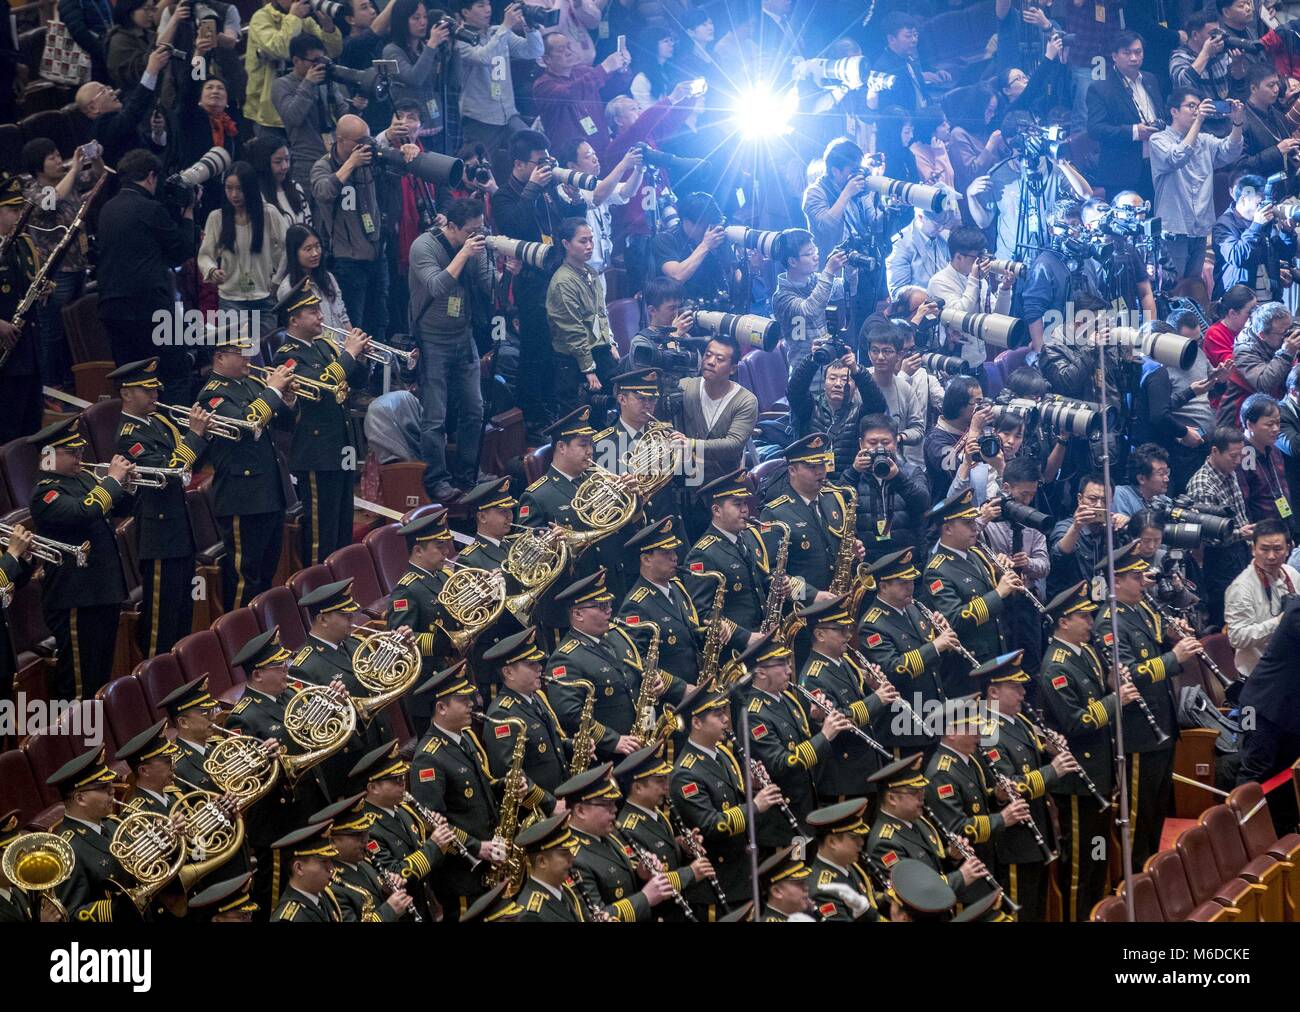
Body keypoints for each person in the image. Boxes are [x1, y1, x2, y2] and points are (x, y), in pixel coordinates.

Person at [1094, 541, 1201, 870]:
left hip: (1162, 722)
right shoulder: (1108, 621)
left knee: (1157, 808)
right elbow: (1127, 673)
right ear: (1117, 580)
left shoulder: (1142, 608)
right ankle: (1135, 880)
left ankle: (1154, 874)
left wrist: (1172, 637)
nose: (1145, 583)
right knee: (1138, 815)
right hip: (1138, 729)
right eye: (1137, 577)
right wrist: (1173, 657)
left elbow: (1153, 645)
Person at [1038, 580, 1133, 922]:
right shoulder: (1056, 667)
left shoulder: (1087, 652)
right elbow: (1076, 723)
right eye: (1084, 617)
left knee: (1097, 854)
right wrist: (1114, 700)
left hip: (1099, 772)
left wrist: (1111, 685)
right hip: (1077, 783)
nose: (1092, 622)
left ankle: (1096, 911)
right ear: (1064, 621)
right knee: (1079, 862)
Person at [109, 357, 211, 656]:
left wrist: (201, 435)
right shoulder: (130, 437)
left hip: (180, 529)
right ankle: (155, 682)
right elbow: (169, 473)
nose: (156, 395)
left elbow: (190, 465)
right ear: (127, 394)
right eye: (146, 390)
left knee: (181, 612)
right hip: (159, 536)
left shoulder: (158, 422)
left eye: (155, 389)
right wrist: (194, 434)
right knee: (160, 622)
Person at [27, 418, 131, 702]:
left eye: (80, 451)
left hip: (103, 590)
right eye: (72, 453)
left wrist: (129, 484)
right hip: (76, 599)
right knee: (78, 682)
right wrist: (112, 481)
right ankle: (74, 741)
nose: (80, 457)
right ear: (48, 456)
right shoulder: (46, 494)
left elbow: (120, 505)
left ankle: (97, 739)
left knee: (100, 675)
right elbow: (83, 512)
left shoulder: (83, 478)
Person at [199, 332, 297, 610]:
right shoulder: (213, 394)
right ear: (220, 357)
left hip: (269, 492)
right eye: (240, 353)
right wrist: (274, 391)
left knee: (267, 571)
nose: (248, 358)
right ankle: (239, 640)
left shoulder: (251, 383)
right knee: (246, 577)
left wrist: (287, 398)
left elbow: (284, 425)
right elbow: (246, 424)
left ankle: (260, 637)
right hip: (242, 499)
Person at [979, 652, 1079, 921]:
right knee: (1019, 911)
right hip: (1015, 841)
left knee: (1037, 907)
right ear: (993, 692)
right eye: (1016, 687)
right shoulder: (988, 732)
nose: (1023, 693)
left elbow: (1031, 758)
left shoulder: (1019, 720)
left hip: (1038, 828)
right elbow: (1007, 785)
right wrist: (1053, 770)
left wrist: (1050, 750)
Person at [95, 148, 197, 405]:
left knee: (132, 380)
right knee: (175, 373)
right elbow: (183, 250)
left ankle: (139, 436)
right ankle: (178, 437)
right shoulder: (150, 209)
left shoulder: (107, 209)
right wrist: (188, 212)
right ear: (151, 176)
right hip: (150, 308)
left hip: (112, 309)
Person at [407, 662, 508, 920]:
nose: (472, 704)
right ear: (441, 707)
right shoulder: (428, 759)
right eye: (463, 700)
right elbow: (433, 823)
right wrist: (476, 847)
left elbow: (481, 787)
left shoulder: (464, 738)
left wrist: (507, 784)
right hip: (461, 874)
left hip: (487, 859)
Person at [670, 685, 782, 915]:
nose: (725, 720)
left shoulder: (722, 754)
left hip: (741, 875)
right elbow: (711, 825)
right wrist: (755, 805)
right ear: (697, 723)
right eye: (717, 714)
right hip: (717, 884)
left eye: (724, 712)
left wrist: (751, 789)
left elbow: (732, 801)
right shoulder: (685, 774)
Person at [543, 569, 677, 761]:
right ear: (578, 614)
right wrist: (612, 740)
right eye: (600, 606)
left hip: (644, 736)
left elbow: (638, 665)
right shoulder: (565, 659)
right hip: (610, 755)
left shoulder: (616, 634)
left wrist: (653, 677)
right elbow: (570, 714)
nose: (609, 610)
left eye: (609, 604)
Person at [408, 196, 490, 499]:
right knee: (435, 416)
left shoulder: (473, 245)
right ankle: (436, 479)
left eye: (480, 228)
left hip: (463, 334)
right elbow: (436, 286)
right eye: (471, 230)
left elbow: (485, 283)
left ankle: (468, 472)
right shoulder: (423, 247)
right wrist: (465, 254)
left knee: (474, 408)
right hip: (432, 340)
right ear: (452, 227)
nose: (477, 235)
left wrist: (506, 269)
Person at [492, 128, 562, 437]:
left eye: (547, 161)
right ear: (519, 164)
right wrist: (532, 188)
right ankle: (531, 416)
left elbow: (561, 224)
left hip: (554, 276)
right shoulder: (504, 195)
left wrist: (565, 193)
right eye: (538, 162)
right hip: (528, 282)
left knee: (553, 349)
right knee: (534, 350)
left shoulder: (547, 189)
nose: (544, 167)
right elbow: (513, 223)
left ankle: (550, 406)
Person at [920, 489, 1020, 695]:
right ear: (947, 528)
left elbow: (1001, 599)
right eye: (967, 523)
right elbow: (954, 618)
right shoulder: (936, 571)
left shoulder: (975, 553)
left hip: (996, 649)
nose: (975, 528)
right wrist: (998, 593)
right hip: (969, 665)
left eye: (974, 521)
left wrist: (1007, 578)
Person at [798, 595, 897, 799]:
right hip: (845, 775)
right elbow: (836, 720)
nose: (847, 635)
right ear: (820, 634)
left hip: (866, 765)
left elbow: (857, 700)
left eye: (848, 629)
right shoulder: (813, 677)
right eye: (841, 630)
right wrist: (877, 699)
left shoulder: (843, 662)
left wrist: (873, 687)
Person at [19, 140, 96, 392]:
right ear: (38, 166)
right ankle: (49, 385)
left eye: (56, 155)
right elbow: (52, 200)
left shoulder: (69, 180)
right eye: (50, 158)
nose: (56, 161)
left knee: (76, 327)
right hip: (54, 274)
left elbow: (97, 176)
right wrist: (73, 168)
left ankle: (71, 380)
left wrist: (96, 157)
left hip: (78, 266)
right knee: (53, 333)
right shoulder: (33, 192)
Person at [555, 764, 674, 921]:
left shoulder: (607, 836)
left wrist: (641, 873)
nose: (615, 810)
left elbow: (625, 883)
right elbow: (594, 916)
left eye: (614, 803)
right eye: (606, 805)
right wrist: (645, 898)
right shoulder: (571, 858)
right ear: (580, 811)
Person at [613, 743, 716, 922]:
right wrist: (690, 873)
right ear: (638, 787)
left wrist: (682, 846)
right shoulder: (627, 828)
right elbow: (648, 879)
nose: (667, 787)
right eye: (660, 781)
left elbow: (661, 850)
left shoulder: (656, 813)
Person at [1152, 91, 1245, 286]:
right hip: (1174, 227)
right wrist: (1199, 121)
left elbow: (1231, 152)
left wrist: (1237, 124)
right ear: (1174, 111)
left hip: (1200, 226)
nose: (1196, 111)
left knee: (1193, 286)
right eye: (1191, 106)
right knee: (1172, 286)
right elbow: (1176, 157)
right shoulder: (1159, 140)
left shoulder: (1205, 140)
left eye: (1198, 106)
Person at [759, 433, 858, 609]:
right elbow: (770, 574)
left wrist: (855, 550)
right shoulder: (775, 513)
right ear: (792, 470)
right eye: (811, 466)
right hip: (803, 610)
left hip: (842, 598)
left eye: (822, 464)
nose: (820, 471)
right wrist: (812, 596)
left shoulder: (835, 497)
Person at [312, 114, 386, 338]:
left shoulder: (370, 162)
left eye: (368, 140)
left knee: (380, 321)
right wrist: (350, 164)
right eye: (359, 142)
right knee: (355, 326)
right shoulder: (323, 165)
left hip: (377, 256)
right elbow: (323, 192)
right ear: (340, 140)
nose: (365, 147)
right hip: (348, 261)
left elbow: (399, 166)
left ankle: (378, 372)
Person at [683, 469, 772, 652]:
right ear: (716, 510)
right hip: (735, 651)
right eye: (737, 504)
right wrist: (745, 637)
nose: (745, 509)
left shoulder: (749, 536)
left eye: (745, 503)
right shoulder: (702, 554)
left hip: (763, 637)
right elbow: (702, 614)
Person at [482, 626, 572, 806]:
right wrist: (549, 804)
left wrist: (574, 745)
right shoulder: (502, 714)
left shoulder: (536, 697)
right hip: (538, 812)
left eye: (538, 662)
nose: (540, 667)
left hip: (560, 795)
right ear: (509, 672)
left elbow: (550, 743)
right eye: (531, 664)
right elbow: (512, 775)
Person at [198, 160, 288, 341]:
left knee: (266, 354)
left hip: (264, 299)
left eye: (239, 189)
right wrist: (212, 270)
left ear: (250, 188)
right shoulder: (217, 218)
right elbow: (206, 255)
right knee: (236, 354)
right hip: (231, 300)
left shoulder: (268, 213)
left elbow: (289, 247)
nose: (234, 194)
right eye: (229, 188)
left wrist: (277, 280)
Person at [47, 748, 135, 923]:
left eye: (110, 784)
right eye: (103, 787)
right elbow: (71, 915)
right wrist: (123, 905)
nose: (112, 791)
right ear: (80, 799)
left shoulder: (112, 824)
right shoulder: (66, 851)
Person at [243, 0, 343, 139]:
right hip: (269, 112)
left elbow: (332, 52)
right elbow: (281, 49)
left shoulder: (305, 20)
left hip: (306, 105)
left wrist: (328, 27)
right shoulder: (261, 18)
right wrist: (294, 17)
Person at [1185, 426, 1254, 626]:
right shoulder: (1202, 484)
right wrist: (1242, 534)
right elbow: (1208, 536)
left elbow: (1240, 514)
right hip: (1219, 561)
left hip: (1241, 551)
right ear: (1215, 451)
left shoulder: (1229, 471)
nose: (1238, 460)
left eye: (1240, 455)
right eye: (1233, 456)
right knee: (1228, 617)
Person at [1085, 31, 1163, 203]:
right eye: (1127, 53)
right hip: (1122, 171)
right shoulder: (1100, 88)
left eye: (1138, 52)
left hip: (1155, 165)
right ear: (1114, 56)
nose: (1134, 58)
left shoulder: (1151, 79)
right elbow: (1095, 129)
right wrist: (1134, 131)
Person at [548, 218, 615, 415]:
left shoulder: (590, 272)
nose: (589, 246)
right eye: (583, 241)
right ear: (566, 244)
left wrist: (610, 342)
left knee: (608, 409)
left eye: (591, 240)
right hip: (572, 360)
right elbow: (572, 330)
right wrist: (588, 369)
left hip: (596, 349)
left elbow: (600, 314)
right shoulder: (563, 281)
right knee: (580, 420)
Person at [456, 0, 544, 151]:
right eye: (481, 6)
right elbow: (483, 58)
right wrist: (506, 26)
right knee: (484, 165)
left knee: (532, 148)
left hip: (509, 114)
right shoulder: (460, 39)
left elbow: (534, 51)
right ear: (465, 12)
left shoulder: (497, 32)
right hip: (481, 117)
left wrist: (529, 26)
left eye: (488, 4)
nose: (488, 10)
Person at [271, 32, 352, 195]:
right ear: (296, 61)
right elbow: (293, 117)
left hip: (335, 158)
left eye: (322, 59)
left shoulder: (325, 81)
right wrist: (308, 83)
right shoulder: (281, 85)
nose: (319, 65)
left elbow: (343, 114)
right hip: (305, 161)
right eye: (314, 61)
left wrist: (357, 105)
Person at [532, 31, 631, 162]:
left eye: (569, 46)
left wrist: (621, 69)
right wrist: (605, 67)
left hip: (601, 149)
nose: (568, 52)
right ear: (547, 59)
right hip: (572, 159)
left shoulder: (583, 71)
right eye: (561, 50)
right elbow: (571, 94)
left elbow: (613, 87)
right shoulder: (543, 85)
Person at [788, 345, 887, 477]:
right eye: (832, 378)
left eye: (845, 379)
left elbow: (878, 404)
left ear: (855, 385)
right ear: (824, 382)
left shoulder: (859, 413)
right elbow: (794, 392)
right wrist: (812, 361)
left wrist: (856, 370)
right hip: (810, 480)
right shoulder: (809, 407)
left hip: (848, 483)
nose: (838, 384)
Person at [677, 335, 758, 492]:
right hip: (688, 484)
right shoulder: (685, 388)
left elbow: (733, 445)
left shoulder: (745, 401)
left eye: (720, 359)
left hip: (725, 484)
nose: (710, 362)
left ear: (733, 368)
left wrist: (691, 444)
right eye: (708, 355)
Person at [1225, 519, 1299, 677]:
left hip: (1290, 666)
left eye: (1277, 549)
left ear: (1288, 549)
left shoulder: (1291, 573)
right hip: (1260, 675)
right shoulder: (1241, 587)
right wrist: (1279, 622)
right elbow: (1236, 638)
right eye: (1264, 549)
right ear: (1253, 549)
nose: (1271, 556)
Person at [1213, 172, 1298, 303]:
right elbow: (1237, 256)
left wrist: (1286, 232)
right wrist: (1256, 226)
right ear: (1243, 198)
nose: (1264, 208)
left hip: (1269, 300)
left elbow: (1283, 254)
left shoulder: (1265, 222)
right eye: (1259, 203)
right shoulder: (1224, 225)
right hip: (1239, 304)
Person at [0, 175, 41, 444]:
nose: (18, 215)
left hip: (30, 346)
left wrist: (44, 290)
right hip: (5, 353)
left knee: (31, 424)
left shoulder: (24, 243)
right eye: (12, 210)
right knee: (8, 426)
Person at [771, 229, 846, 374]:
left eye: (815, 251)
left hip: (829, 366)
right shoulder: (781, 297)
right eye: (808, 254)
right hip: (804, 373)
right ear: (792, 261)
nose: (816, 257)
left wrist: (850, 270)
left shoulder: (815, 280)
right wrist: (829, 271)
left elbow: (844, 289)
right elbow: (809, 311)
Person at [1218, 302, 1299, 428]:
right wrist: (1286, 353)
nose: (1289, 336)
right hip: (1241, 424)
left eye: (1290, 328)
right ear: (1262, 335)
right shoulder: (1244, 351)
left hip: (1273, 415)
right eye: (1284, 333)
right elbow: (1264, 384)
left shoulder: (1279, 332)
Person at [382, 0, 453, 139]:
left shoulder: (425, 48)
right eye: (416, 18)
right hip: (411, 132)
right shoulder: (391, 51)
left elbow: (453, 81)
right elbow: (414, 79)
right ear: (402, 20)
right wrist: (432, 45)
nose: (423, 22)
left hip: (437, 124)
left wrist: (452, 46)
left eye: (425, 17)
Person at [652, 191, 733, 306]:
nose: (708, 230)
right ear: (686, 221)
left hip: (717, 304)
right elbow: (676, 277)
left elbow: (730, 272)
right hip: (681, 310)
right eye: (704, 225)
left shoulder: (718, 238)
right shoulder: (665, 240)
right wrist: (705, 246)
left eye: (711, 224)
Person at [921, 375, 984, 502]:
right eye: (977, 403)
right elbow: (951, 470)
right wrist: (974, 431)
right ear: (959, 405)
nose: (981, 408)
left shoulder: (980, 429)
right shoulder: (935, 439)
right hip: (948, 511)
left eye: (982, 402)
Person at [1239, 393, 1295, 531]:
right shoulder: (1244, 455)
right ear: (1250, 425)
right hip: (1259, 532)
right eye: (1270, 424)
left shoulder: (1274, 449)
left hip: (1282, 526)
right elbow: (1244, 502)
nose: (1276, 429)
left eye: (1278, 423)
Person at [278, 224, 349, 331]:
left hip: (340, 343)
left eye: (317, 246)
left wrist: (354, 339)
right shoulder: (288, 288)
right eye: (308, 249)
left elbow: (342, 316)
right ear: (294, 253)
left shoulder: (327, 277)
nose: (315, 253)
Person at [268, 822, 344, 922]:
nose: (331, 868)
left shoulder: (324, 895)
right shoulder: (290, 919)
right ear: (299, 868)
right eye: (324, 861)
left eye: (331, 860)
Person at [1236, 63, 1300, 179]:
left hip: (1289, 181)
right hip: (1263, 188)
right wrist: (1277, 151)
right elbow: (1241, 166)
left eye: (1277, 84)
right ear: (1253, 88)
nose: (1276, 90)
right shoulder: (1241, 122)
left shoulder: (1278, 114)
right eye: (1271, 85)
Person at [246, 134, 313, 229]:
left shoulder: (296, 187)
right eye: (278, 162)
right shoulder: (256, 196)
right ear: (263, 163)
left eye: (287, 159)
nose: (285, 166)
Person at [885, 207, 952, 299]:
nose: (941, 228)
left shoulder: (945, 236)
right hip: (922, 306)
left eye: (944, 223)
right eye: (937, 224)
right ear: (921, 217)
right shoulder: (901, 244)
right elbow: (897, 291)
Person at [1113, 443, 1171, 519]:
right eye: (1161, 473)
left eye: (1167, 472)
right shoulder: (1122, 495)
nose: (1167, 479)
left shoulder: (1165, 501)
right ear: (1141, 479)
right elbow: (1122, 528)